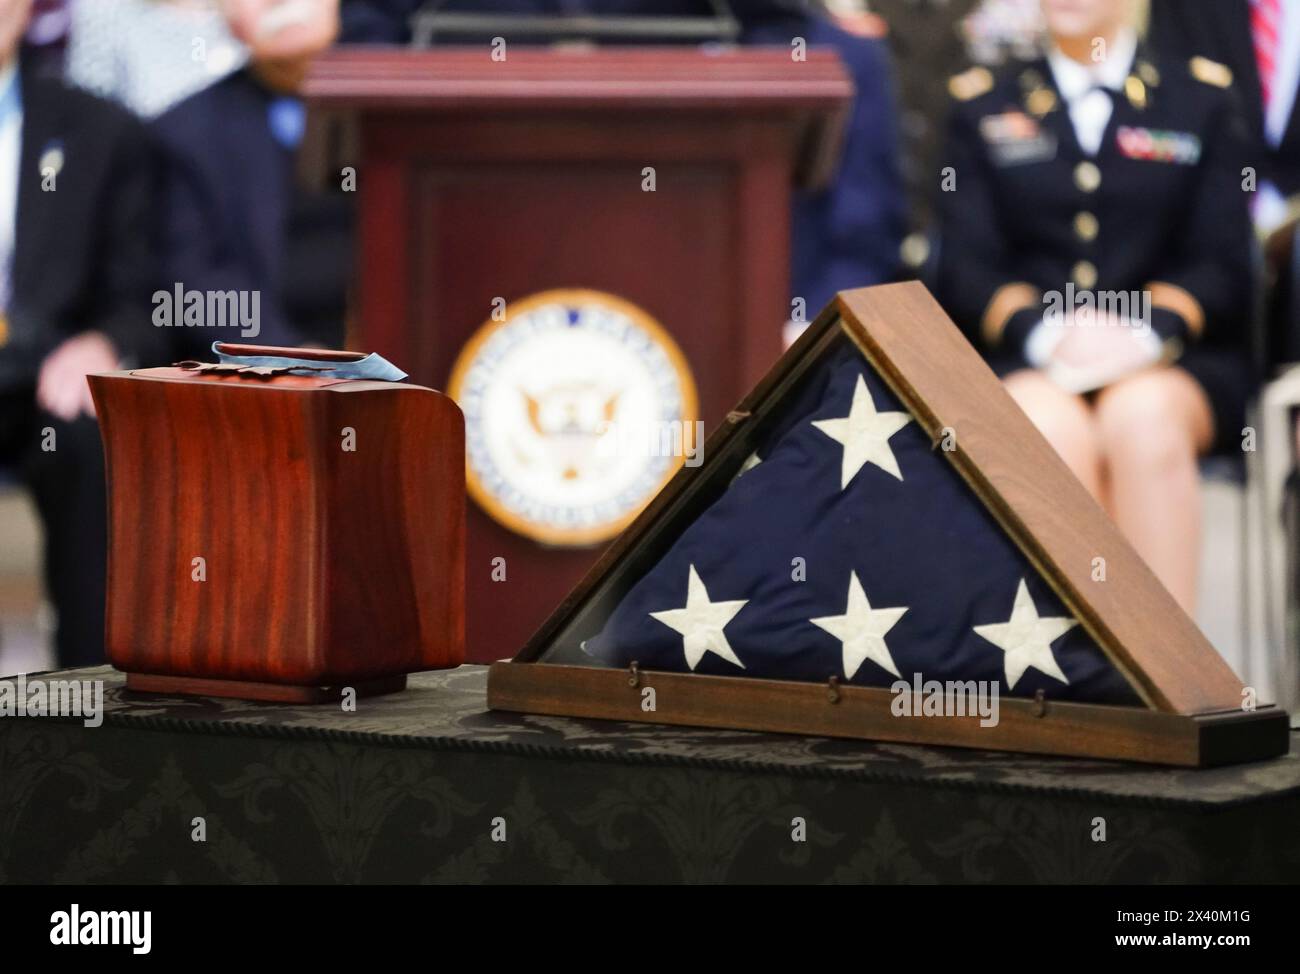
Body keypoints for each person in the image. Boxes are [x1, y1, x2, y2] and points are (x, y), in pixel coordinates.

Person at [933, 0, 1254, 613]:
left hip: (1172, 360)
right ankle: (1083, 689)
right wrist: (1044, 333)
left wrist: (1141, 333)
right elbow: (964, 266)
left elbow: (1224, 262)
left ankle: (1169, 682)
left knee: (1142, 419)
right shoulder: (983, 103)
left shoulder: (1200, 99)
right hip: (1029, 357)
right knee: (1048, 425)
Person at [0, 0, 163, 666]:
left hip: (39, 375)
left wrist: (102, 344)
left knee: (88, 435)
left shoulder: (99, 129)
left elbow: (144, 293)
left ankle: (89, 701)